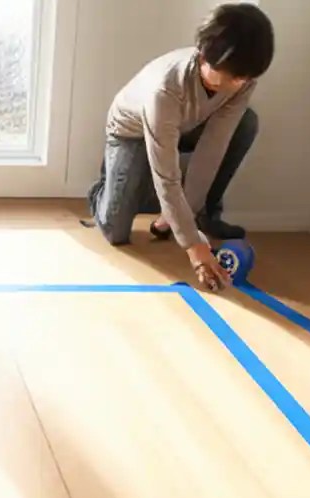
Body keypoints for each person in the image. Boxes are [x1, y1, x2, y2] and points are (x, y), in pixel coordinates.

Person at [87, 3, 274, 291]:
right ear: (204, 56)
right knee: (116, 231)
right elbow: (167, 175)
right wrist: (193, 246)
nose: (240, 83)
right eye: (234, 75)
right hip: (132, 132)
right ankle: (105, 187)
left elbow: (213, 148)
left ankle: (201, 213)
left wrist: (178, 220)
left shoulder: (243, 80)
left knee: (246, 124)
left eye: (245, 77)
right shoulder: (165, 88)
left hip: (189, 125)